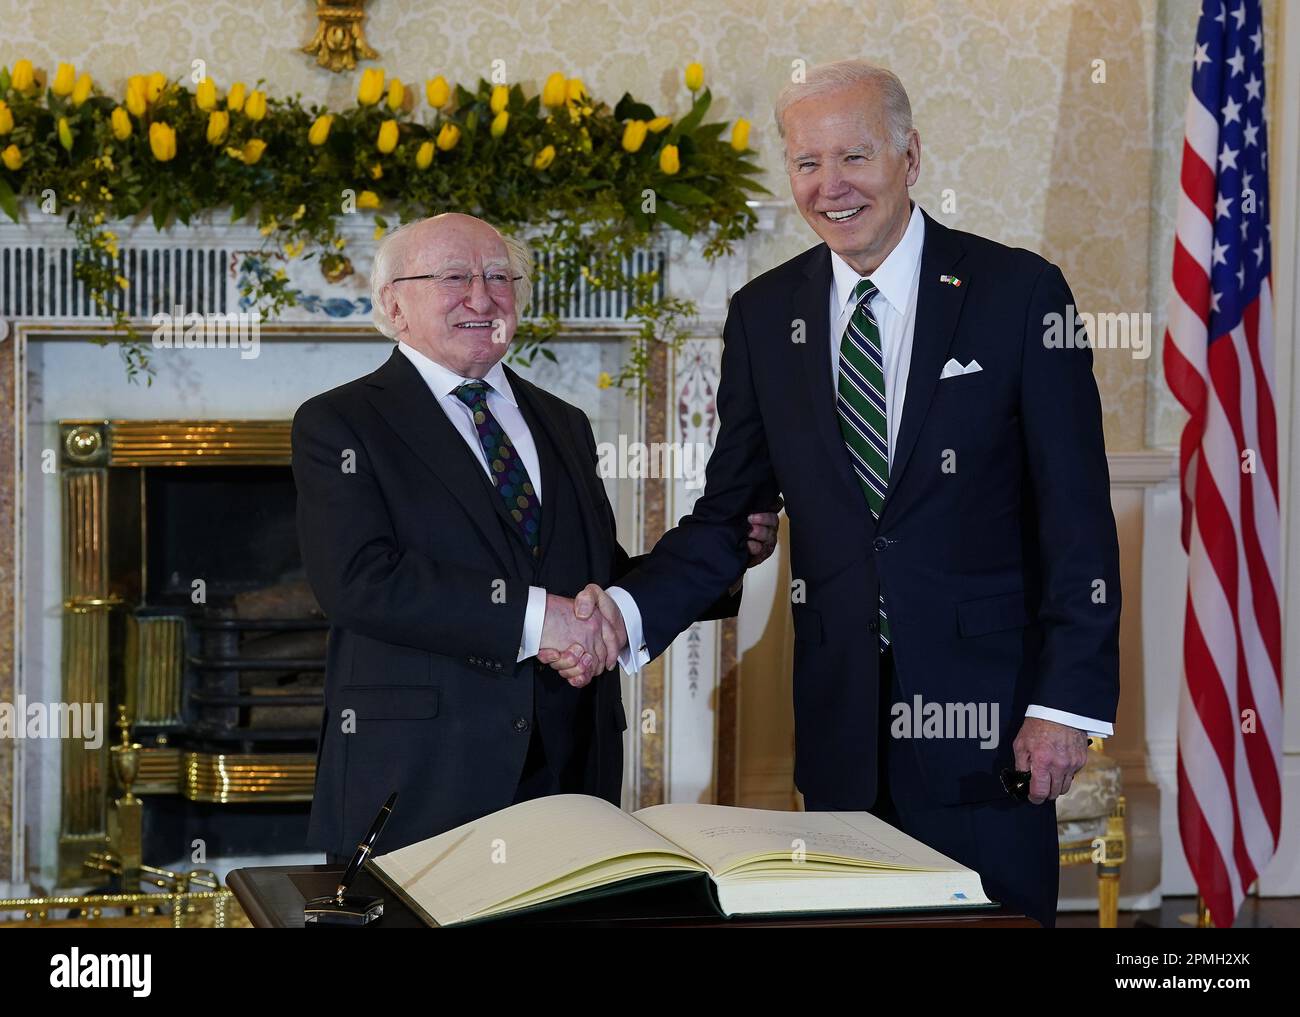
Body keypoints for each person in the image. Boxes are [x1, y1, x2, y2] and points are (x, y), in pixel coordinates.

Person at [546, 61, 1121, 927]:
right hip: (842, 722)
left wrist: (1063, 707)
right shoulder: (763, 315)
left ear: (910, 156)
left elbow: (1077, 517)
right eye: (807, 163)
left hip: (991, 721)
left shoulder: (1019, 294)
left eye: (854, 156)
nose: (831, 186)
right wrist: (623, 615)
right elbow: (729, 516)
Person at [291, 213, 780, 859]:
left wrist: (722, 555)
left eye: (499, 276)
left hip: (569, 774)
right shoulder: (339, 422)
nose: (481, 296)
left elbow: (593, 580)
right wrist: (544, 621)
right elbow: (358, 581)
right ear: (393, 304)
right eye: (453, 277)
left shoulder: (563, 422)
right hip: (420, 783)